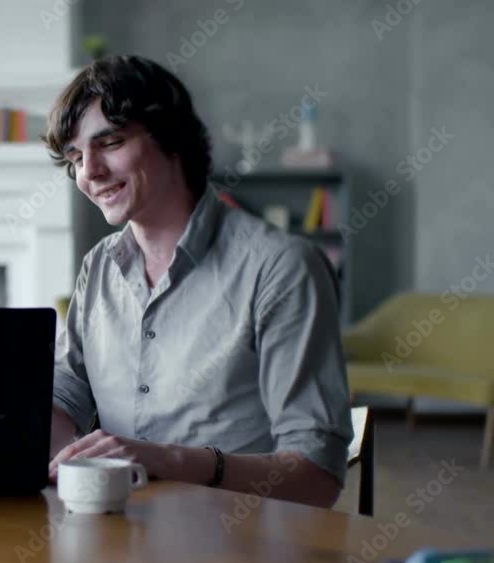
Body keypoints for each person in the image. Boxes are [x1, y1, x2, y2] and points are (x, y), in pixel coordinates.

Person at [44, 55, 353, 508]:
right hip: (115, 524)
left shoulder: (282, 268)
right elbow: (67, 391)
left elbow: (316, 477)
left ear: (172, 139)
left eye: (109, 142)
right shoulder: (99, 266)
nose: (89, 172)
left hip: (238, 532)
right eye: (74, 158)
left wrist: (166, 459)